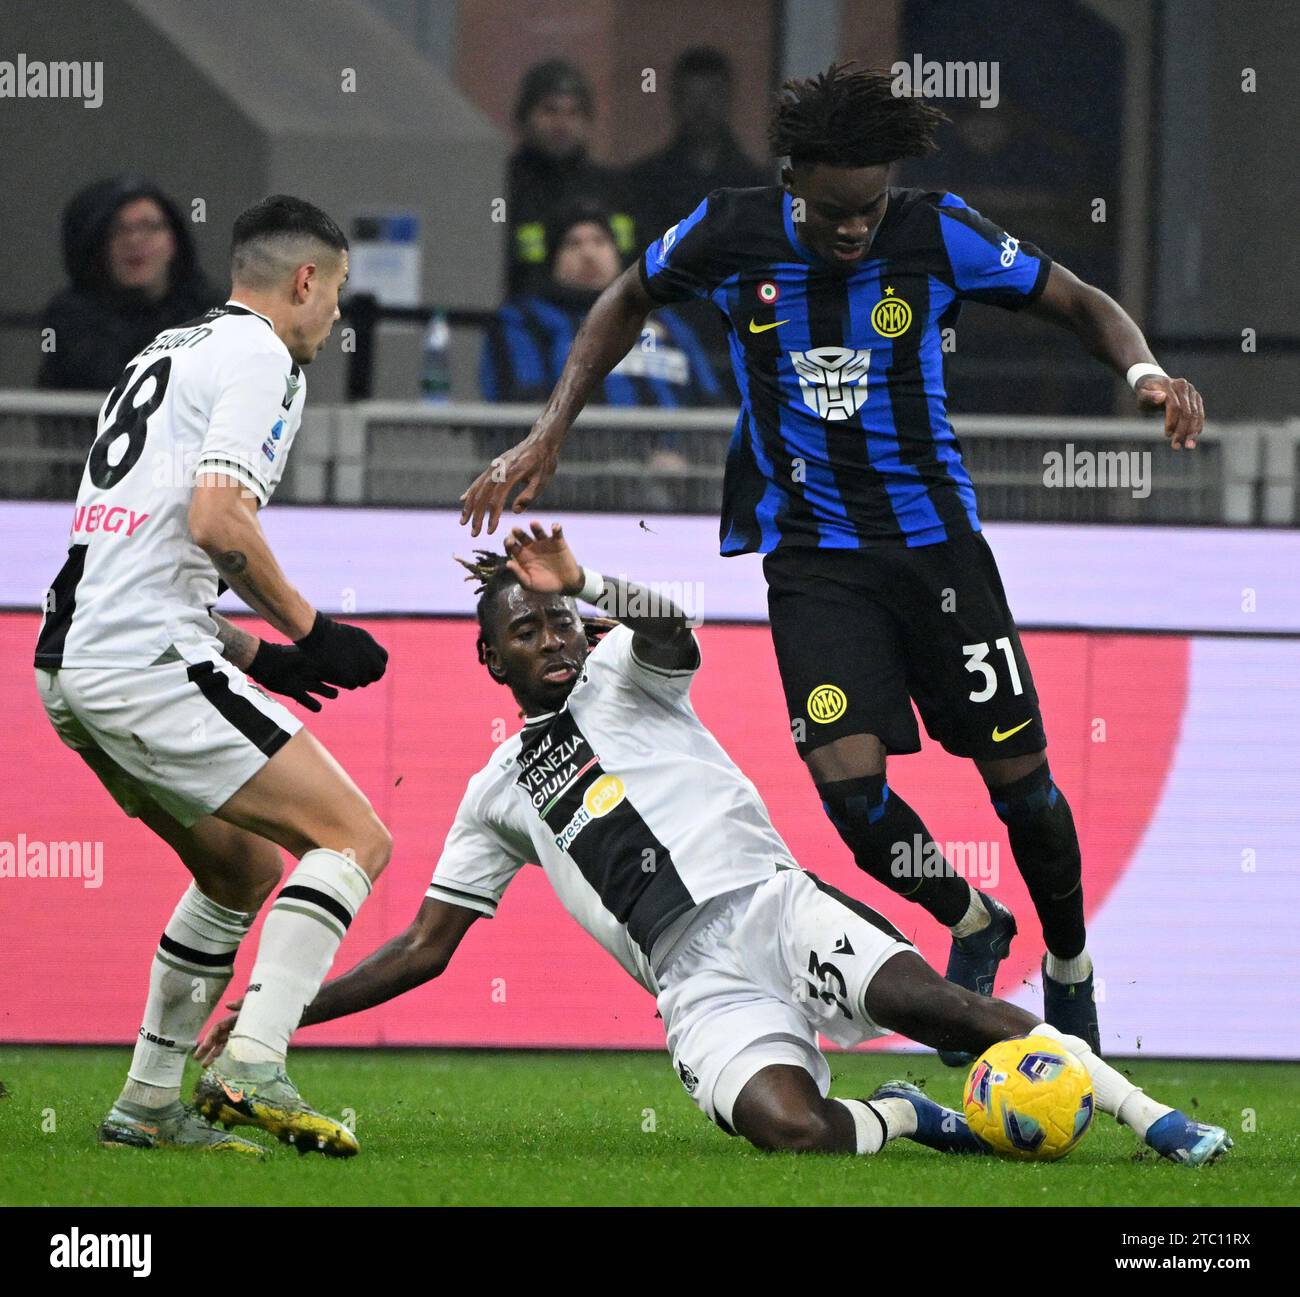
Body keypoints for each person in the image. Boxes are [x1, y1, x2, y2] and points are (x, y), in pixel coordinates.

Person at [458, 65, 1209, 1064]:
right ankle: (971, 915)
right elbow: (626, 296)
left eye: (871, 206)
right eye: (835, 208)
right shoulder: (731, 229)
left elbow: (1073, 298)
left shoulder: (936, 228)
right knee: (853, 797)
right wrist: (549, 431)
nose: (857, 227)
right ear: (793, 179)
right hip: (812, 557)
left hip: (936, 548)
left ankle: (1068, 963)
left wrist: (1145, 372)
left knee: (1019, 782)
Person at [197, 523, 1230, 1167]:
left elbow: (673, 632)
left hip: (774, 910)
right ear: (489, 656)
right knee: (790, 1131)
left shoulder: (621, 674)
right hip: (695, 983)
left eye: (562, 620)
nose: (554, 637)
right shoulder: (494, 794)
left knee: (950, 1008)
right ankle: (911, 1114)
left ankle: (1149, 1118)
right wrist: (285, 1007)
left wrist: (591, 578)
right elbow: (422, 950)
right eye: (529, 629)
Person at [34, 195, 392, 1157]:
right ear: (305, 281)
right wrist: (313, 631)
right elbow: (217, 522)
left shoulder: (168, 352)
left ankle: (148, 1103)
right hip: (140, 659)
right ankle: (251, 1060)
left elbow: (147, 549)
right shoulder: (264, 357)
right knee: (354, 836)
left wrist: (260, 657)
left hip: (70, 660)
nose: (335, 320)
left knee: (241, 867)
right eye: (338, 295)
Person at [481, 205, 725, 411]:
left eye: (600, 241)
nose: (588, 253)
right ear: (553, 260)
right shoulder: (524, 320)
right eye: (572, 244)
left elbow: (711, 402)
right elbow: (521, 406)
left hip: (676, 466)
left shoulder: (664, 320)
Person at [37, 176, 221, 392]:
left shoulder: (213, 312)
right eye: (118, 229)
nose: (134, 240)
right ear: (95, 246)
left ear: (174, 241)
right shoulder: (71, 317)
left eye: (149, 226)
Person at [504, 60, 635, 298]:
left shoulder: (614, 189)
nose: (562, 124)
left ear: (588, 121)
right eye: (550, 110)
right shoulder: (503, 187)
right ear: (524, 117)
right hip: (526, 322)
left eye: (573, 112)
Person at [621, 46, 769, 251]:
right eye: (693, 95)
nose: (703, 106)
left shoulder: (756, 186)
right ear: (676, 101)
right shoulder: (644, 183)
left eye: (712, 94)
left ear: (727, 99)